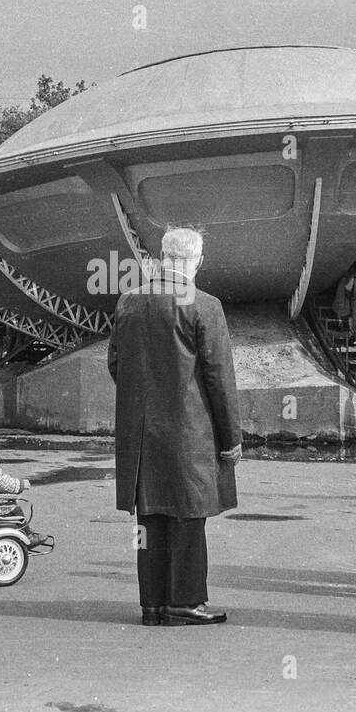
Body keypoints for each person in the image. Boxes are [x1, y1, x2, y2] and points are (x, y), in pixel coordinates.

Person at [109, 226, 241, 627]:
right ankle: (185, 602)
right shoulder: (204, 304)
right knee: (188, 515)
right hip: (189, 430)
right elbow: (219, 377)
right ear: (196, 261)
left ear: (163, 257)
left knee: (150, 518)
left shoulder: (130, 300)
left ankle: (152, 605)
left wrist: (145, 399)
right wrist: (231, 437)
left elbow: (116, 363)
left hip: (141, 431)